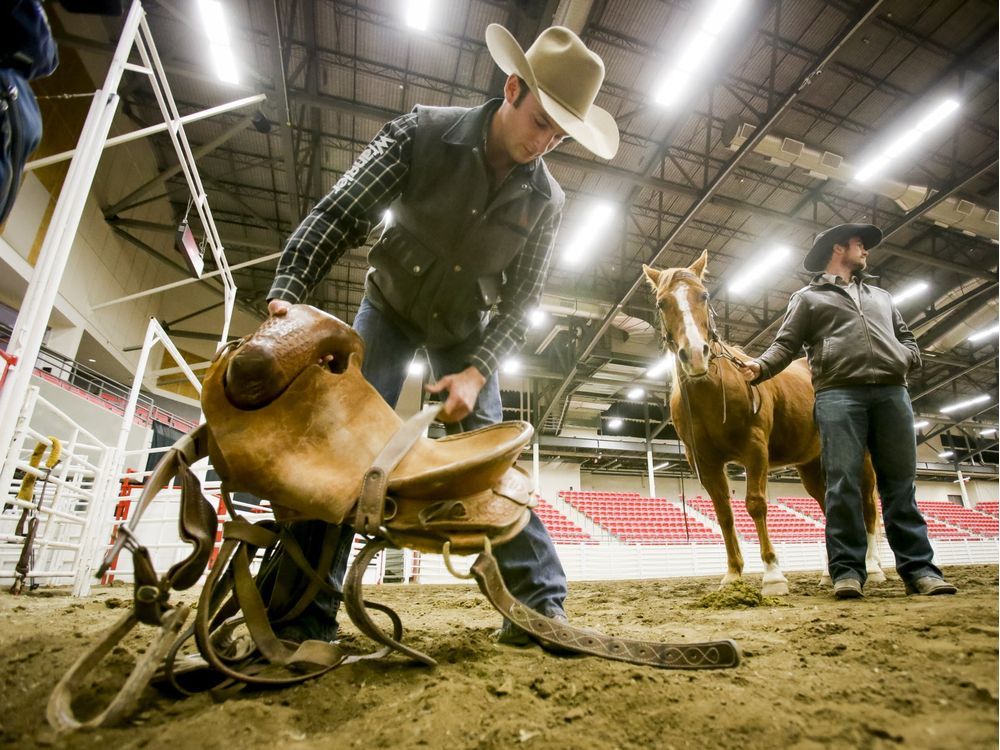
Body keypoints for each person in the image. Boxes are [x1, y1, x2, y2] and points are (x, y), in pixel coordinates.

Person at [265, 24, 620, 645]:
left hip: (466, 332)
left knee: (489, 453)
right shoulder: (419, 133)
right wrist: (287, 296)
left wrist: (478, 370)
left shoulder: (548, 200)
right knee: (345, 445)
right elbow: (339, 213)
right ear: (512, 87)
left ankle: (540, 606)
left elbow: (521, 303)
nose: (546, 143)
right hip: (390, 304)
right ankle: (300, 615)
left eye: (560, 136)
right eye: (541, 123)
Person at [737, 223, 957, 599]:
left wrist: (905, 357)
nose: (866, 250)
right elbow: (785, 344)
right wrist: (760, 368)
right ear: (838, 248)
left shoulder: (882, 297)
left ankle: (920, 570)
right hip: (838, 395)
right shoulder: (806, 299)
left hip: (892, 394)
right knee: (841, 485)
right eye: (860, 244)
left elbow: (906, 337)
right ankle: (846, 572)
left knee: (899, 485)